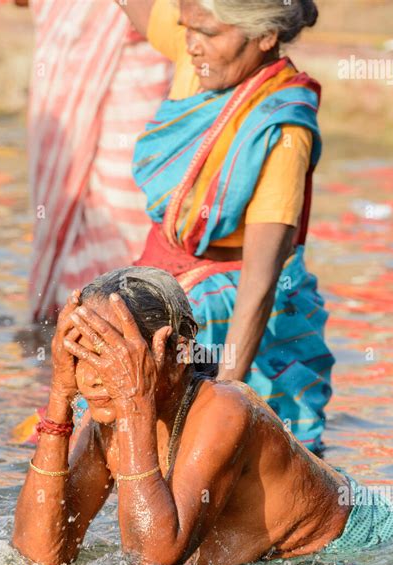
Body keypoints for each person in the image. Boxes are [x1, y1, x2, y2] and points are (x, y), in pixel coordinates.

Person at [11, 269, 393, 565]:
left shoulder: (225, 408)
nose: (94, 376)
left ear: (175, 352)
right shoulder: (106, 418)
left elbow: (151, 560)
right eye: (81, 356)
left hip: (348, 550)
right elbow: (40, 558)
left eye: (116, 357)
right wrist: (60, 397)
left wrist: (135, 402)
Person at [115, 0, 334, 453]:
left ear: (265, 37)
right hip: (164, 284)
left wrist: (223, 409)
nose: (192, 46)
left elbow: (259, 282)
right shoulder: (202, 56)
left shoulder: (280, 126)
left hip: (232, 316)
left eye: (208, 34)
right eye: (186, 29)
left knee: (233, 477)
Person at [0, 0, 172, 320]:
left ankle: (129, 318)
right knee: (77, 201)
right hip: (81, 40)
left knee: (131, 195)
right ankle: (79, 321)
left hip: (141, 51)